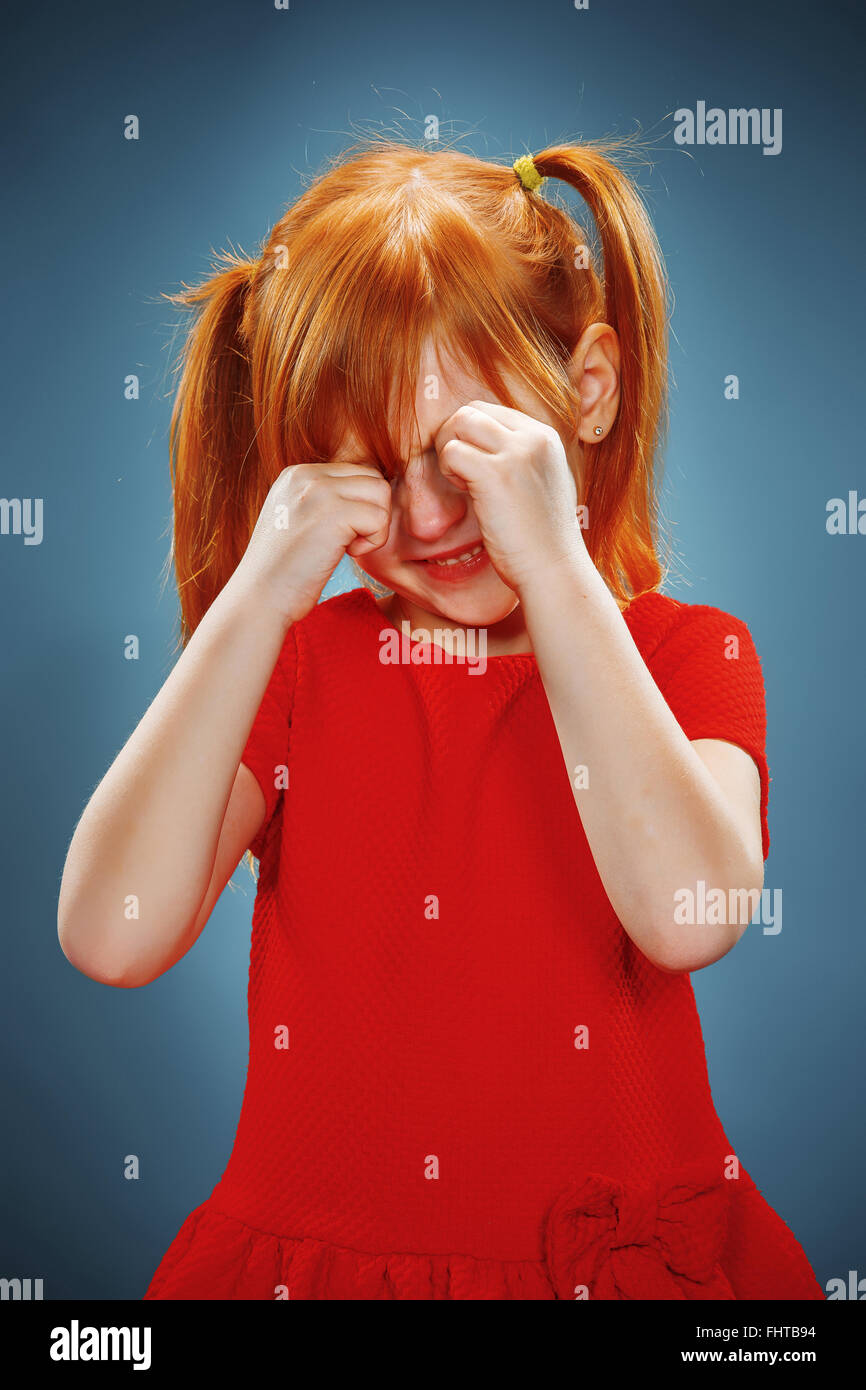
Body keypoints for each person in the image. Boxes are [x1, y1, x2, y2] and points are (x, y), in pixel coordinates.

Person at [58, 138, 824, 1300]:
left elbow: (689, 915)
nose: (422, 520)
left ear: (587, 386)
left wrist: (556, 562)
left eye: (465, 456)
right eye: (361, 475)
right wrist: (261, 590)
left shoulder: (685, 655)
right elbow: (111, 934)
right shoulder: (300, 670)